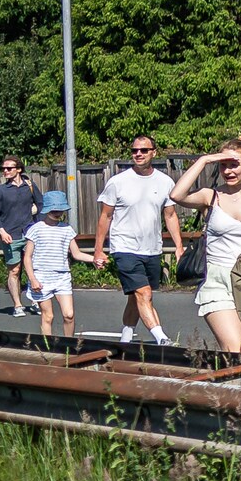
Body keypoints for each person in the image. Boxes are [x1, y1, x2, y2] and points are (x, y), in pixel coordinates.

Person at [170, 139, 241, 354]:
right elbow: (177, 195)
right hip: (217, 279)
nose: (228, 171)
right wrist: (204, 160)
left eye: (234, 164)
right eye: (223, 165)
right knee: (236, 349)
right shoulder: (210, 196)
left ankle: (231, 387)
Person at [93, 137, 182, 346]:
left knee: (137, 296)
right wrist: (98, 250)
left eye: (143, 150)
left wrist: (179, 247)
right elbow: (105, 217)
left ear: (153, 152)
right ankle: (162, 339)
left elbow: (170, 216)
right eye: (134, 151)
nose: (138, 154)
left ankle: (125, 337)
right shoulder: (118, 182)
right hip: (124, 247)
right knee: (144, 292)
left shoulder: (165, 182)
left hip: (152, 249)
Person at [23, 190, 90, 339]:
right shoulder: (36, 229)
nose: (57, 213)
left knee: (69, 315)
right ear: (46, 210)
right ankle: (48, 349)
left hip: (62, 276)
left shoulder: (67, 229)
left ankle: (69, 345)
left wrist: (95, 259)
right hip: (41, 277)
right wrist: (33, 278)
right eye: (54, 210)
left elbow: (76, 253)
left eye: (60, 210)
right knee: (48, 316)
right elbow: (27, 257)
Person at [0, 158, 39, 314]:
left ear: (18, 169)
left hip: (30, 234)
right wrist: (2, 231)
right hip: (11, 236)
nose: (5, 171)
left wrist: (39, 226)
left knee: (34, 269)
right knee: (14, 271)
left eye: (9, 168)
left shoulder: (29, 186)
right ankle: (17, 305)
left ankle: (36, 300)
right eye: (3, 168)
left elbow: (42, 204)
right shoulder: (1, 190)